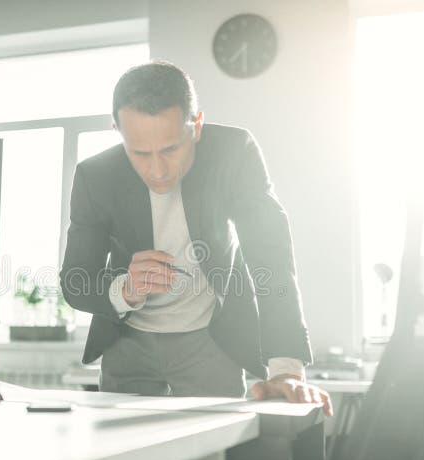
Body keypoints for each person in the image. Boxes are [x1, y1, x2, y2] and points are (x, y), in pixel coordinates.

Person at [60, 61, 332, 415]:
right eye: (140, 153)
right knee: (129, 458)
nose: (157, 171)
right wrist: (125, 289)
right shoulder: (95, 176)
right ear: (118, 130)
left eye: (171, 149)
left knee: (213, 455)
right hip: (127, 341)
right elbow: (75, 281)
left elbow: (270, 254)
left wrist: (286, 369)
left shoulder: (233, 152)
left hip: (211, 336)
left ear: (197, 125)